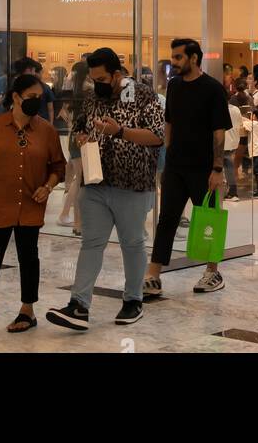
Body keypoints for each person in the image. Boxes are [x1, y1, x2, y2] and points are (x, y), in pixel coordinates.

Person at [46, 47, 164, 330]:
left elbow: (157, 137)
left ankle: (133, 300)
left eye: (101, 78)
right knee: (91, 243)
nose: (97, 83)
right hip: (96, 182)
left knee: (132, 243)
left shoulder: (144, 96)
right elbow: (81, 127)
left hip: (133, 183)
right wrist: (84, 135)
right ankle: (79, 305)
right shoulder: (92, 98)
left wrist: (120, 131)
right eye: (93, 78)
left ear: (117, 74)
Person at [0, 73, 65, 336]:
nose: (36, 103)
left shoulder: (47, 131)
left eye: (40, 99)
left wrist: (48, 186)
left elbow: (58, 166)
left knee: (28, 257)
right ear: (16, 97)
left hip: (30, 206)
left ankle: (27, 310)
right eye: (31, 98)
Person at [144, 38, 232, 298]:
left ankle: (213, 272)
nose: (173, 62)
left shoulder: (213, 89)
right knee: (167, 219)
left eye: (179, 57)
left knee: (209, 220)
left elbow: (219, 131)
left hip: (204, 168)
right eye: (173, 57)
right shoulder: (174, 86)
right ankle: (153, 274)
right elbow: (168, 121)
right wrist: (168, 155)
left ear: (194, 58)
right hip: (176, 166)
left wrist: (217, 169)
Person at [58, 59, 91, 233]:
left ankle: (70, 217)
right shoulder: (89, 90)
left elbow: (63, 114)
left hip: (74, 138)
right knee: (80, 181)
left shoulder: (72, 91)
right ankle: (77, 222)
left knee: (78, 179)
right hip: (84, 139)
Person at [11, 57, 55, 124]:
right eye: (34, 71)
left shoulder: (13, 84)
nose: (34, 74)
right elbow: (50, 108)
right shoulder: (41, 86)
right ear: (28, 70)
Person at [223, 94, 243, 202]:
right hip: (234, 141)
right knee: (228, 165)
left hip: (224, 141)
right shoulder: (236, 109)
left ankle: (232, 191)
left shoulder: (220, 109)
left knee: (228, 166)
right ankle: (231, 190)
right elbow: (240, 123)